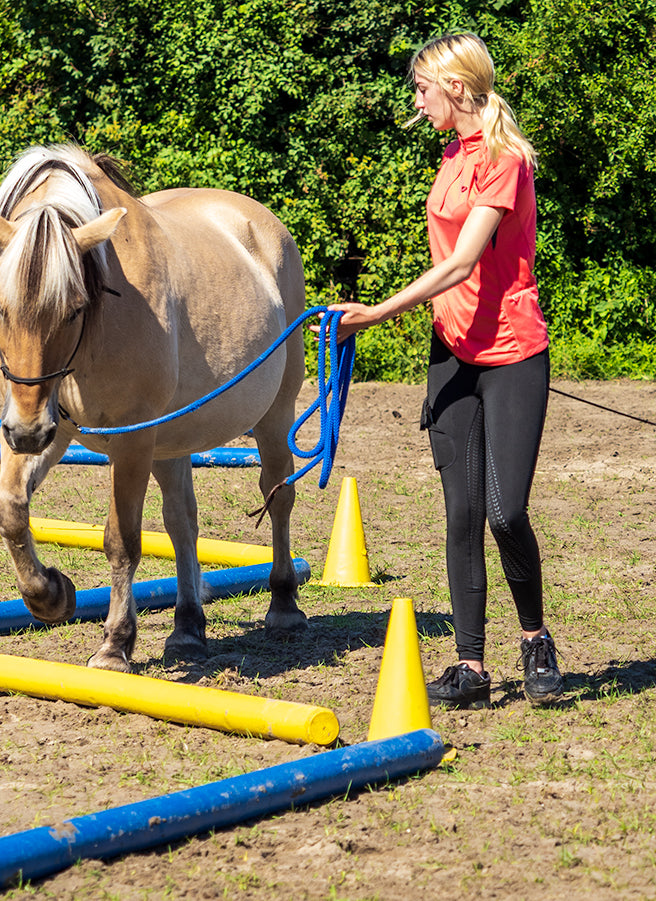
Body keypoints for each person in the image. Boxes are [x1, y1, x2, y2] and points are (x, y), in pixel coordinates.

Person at [327, 32, 563, 709]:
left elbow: (461, 263)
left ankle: (535, 638)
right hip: (452, 354)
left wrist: (376, 312)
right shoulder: (451, 156)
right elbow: (452, 272)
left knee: (505, 510)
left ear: (456, 87)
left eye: (423, 88)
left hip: (513, 354)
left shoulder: (502, 159)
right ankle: (471, 664)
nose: (417, 100)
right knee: (461, 511)